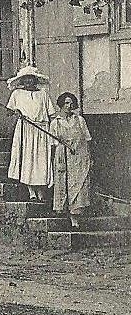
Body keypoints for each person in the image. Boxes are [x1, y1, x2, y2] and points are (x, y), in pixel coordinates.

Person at [6, 66, 54, 201]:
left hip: (41, 130)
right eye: (26, 79)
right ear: (22, 80)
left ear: (35, 80)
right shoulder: (17, 94)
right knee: (27, 159)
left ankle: (41, 190)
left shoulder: (43, 94)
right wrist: (17, 112)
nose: (28, 81)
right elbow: (9, 111)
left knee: (41, 160)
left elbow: (51, 113)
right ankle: (31, 191)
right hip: (25, 129)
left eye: (31, 79)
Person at [49, 92, 91, 229]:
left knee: (78, 185)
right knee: (64, 184)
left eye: (71, 103)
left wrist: (89, 156)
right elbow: (53, 143)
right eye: (66, 103)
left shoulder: (80, 120)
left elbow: (87, 139)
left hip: (79, 156)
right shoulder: (56, 123)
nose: (69, 105)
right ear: (61, 104)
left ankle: (75, 217)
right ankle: (65, 213)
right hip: (63, 156)